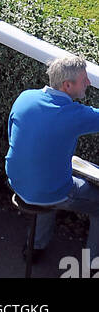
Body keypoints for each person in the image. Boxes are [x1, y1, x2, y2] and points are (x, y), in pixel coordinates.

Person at [6, 54, 99, 263]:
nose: (89, 83)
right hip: (48, 191)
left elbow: (14, 138)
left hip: (16, 181)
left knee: (44, 176)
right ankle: (92, 264)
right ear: (67, 85)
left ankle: (34, 247)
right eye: (84, 80)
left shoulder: (25, 97)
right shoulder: (76, 114)